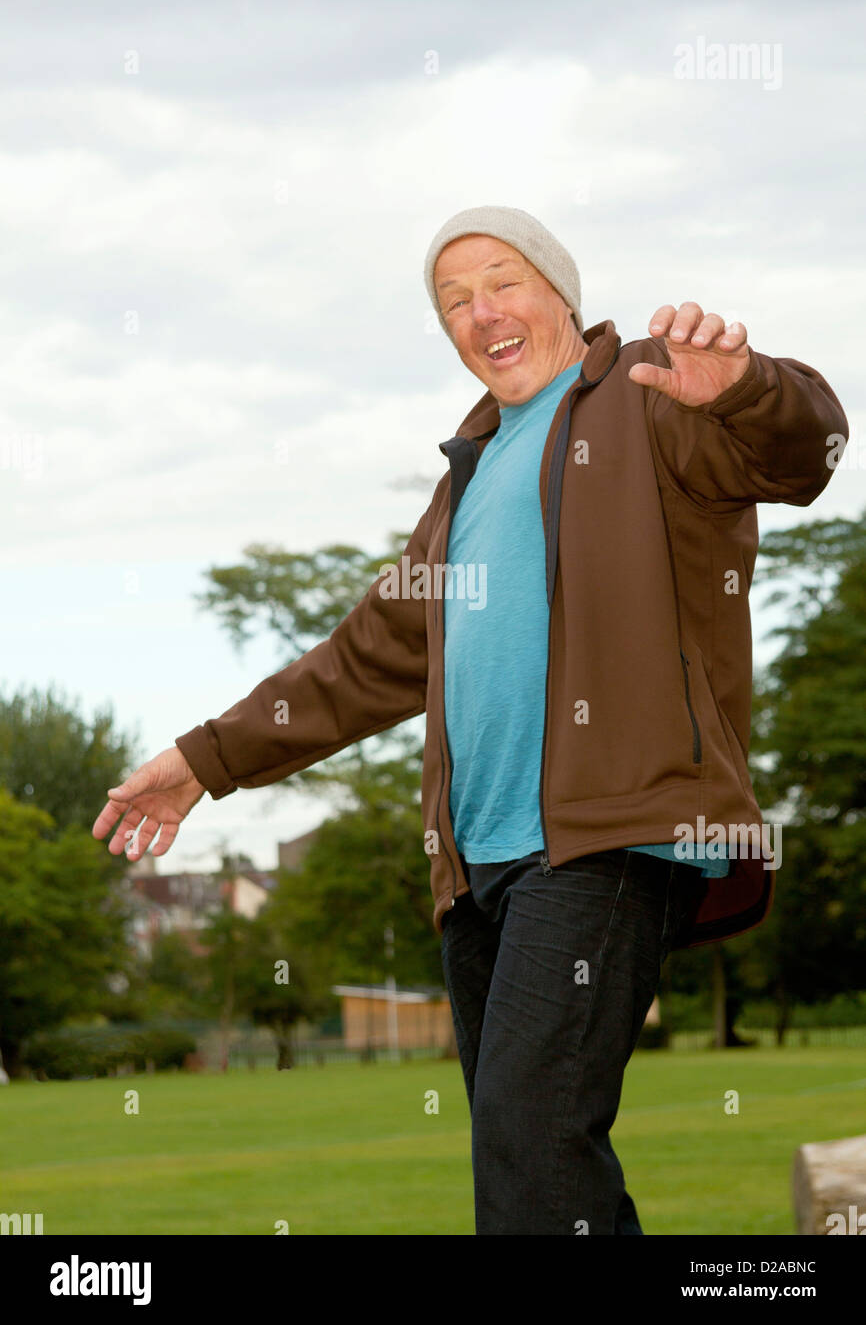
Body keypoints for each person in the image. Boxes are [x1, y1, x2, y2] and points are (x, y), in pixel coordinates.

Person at [93, 205, 847, 1235]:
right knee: (523, 1159)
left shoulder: (646, 398)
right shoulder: (463, 488)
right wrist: (202, 758)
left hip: (611, 834)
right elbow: (359, 662)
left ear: (559, 295)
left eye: (501, 280)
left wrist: (749, 387)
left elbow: (800, 449)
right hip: (479, 872)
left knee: (531, 1138)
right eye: (452, 300)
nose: (479, 310)